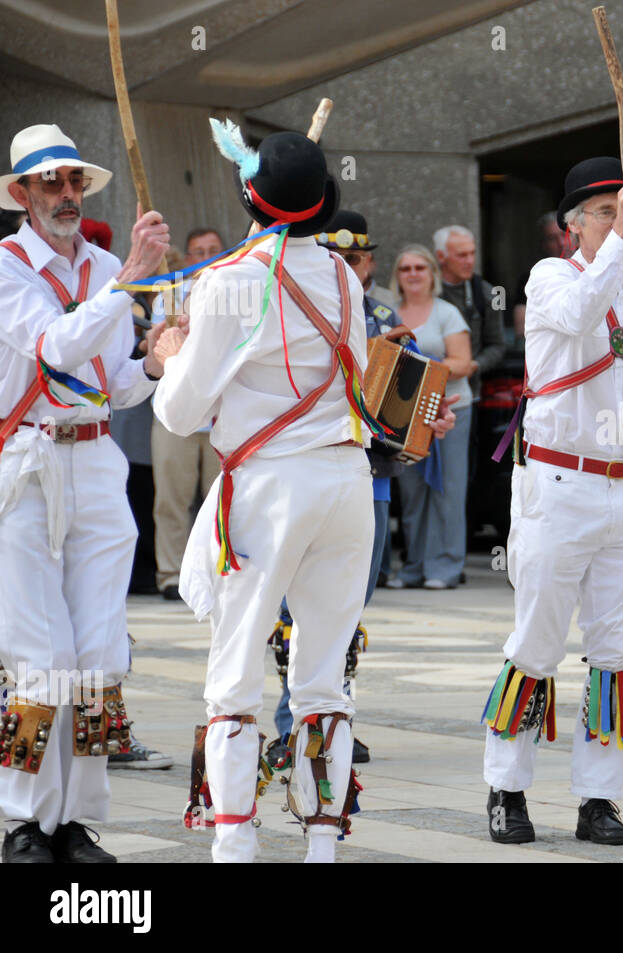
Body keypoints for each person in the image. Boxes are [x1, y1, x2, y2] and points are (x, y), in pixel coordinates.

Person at [153, 124, 371, 863]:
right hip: (345, 483)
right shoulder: (345, 276)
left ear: (251, 200)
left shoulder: (229, 280)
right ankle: (320, 852)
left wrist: (172, 353)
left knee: (235, 679)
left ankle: (236, 848)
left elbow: (181, 413)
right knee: (323, 681)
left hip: (272, 485)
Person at [479, 157, 623, 848]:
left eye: (622, 209)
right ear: (573, 227)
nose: (616, 220)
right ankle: (506, 787)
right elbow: (577, 315)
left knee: (616, 650)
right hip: (558, 485)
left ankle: (600, 798)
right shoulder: (550, 279)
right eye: (603, 211)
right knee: (536, 643)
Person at [0, 123, 170, 862]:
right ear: (20, 194)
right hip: (27, 468)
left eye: (74, 181)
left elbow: (109, 384)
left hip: (98, 464)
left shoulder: (106, 264)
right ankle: (22, 821)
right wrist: (132, 278)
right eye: (50, 183)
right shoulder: (6, 268)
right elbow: (55, 346)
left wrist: (161, 363)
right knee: (42, 658)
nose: (66, 194)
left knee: (99, 656)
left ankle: (76, 819)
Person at [265, 213, 459, 769]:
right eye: (337, 258)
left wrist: (430, 417)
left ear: (370, 263)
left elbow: (407, 392)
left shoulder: (382, 315)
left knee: (350, 608)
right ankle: (291, 723)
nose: (347, 268)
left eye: (355, 260)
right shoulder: (297, 308)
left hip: (370, 479)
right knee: (294, 607)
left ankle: (333, 717)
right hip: (304, 474)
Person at [390, 244, 476, 589]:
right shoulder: (390, 313)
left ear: (433, 275)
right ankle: (414, 567)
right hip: (403, 416)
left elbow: (463, 363)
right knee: (411, 493)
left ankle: (445, 568)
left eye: (420, 268)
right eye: (405, 268)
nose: (412, 274)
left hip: (450, 411)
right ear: (397, 277)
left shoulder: (447, 313)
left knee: (447, 490)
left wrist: (416, 370)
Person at [150, 227, 224, 602]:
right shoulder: (169, 294)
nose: (206, 256)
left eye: (214, 250)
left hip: (218, 416)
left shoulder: (231, 293)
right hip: (176, 413)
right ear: (188, 257)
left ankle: (215, 570)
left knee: (219, 498)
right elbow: (159, 351)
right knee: (172, 498)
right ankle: (170, 572)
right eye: (199, 251)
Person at [434, 224, 506, 402]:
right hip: (423, 390)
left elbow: (497, 345)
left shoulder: (491, 293)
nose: (470, 261)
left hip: (468, 393)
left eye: (472, 253)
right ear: (441, 256)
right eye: (462, 255)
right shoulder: (425, 291)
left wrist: (472, 366)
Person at [511, 212, 567, 340]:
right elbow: (521, 331)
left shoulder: (591, 269)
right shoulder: (530, 278)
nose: (562, 243)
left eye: (564, 235)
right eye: (552, 239)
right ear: (544, 245)